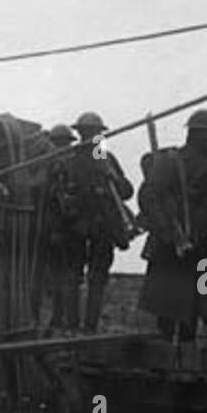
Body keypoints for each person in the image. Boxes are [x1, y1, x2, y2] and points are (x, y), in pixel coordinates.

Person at [138, 108, 207, 342]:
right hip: (174, 243)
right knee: (168, 304)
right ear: (192, 133)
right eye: (206, 133)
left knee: (195, 306)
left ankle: (185, 352)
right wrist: (167, 230)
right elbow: (149, 196)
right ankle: (165, 353)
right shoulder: (170, 160)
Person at [47, 111, 135, 332]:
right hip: (74, 227)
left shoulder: (107, 160)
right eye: (87, 133)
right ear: (80, 134)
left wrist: (113, 177)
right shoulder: (68, 162)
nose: (92, 137)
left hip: (103, 226)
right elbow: (55, 199)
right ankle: (71, 326)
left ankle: (89, 327)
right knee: (73, 276)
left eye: (95, 133)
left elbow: (126, 191)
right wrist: (58, 228)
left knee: (97, 278)